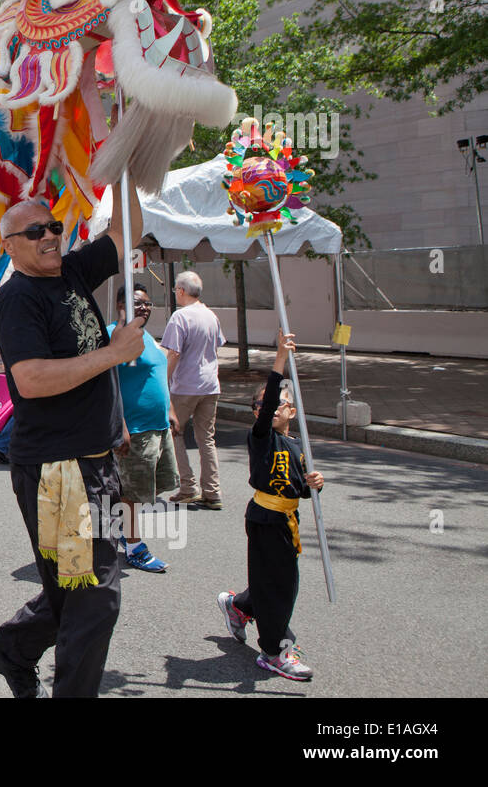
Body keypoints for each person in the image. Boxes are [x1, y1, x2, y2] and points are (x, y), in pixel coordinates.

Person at [0, 184, 144, 698]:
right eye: (35, 232)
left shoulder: (71, 269)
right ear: (9, 245)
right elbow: (29, 379)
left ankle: (12, 650)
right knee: (95, 596)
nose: (50, 236)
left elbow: (127, 235)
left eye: (54, 226)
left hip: (93, 463)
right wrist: (112, 355)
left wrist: (130, 172)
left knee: (70, 594)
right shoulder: (16, 299)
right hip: (58, 473)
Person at [218, 329, 324, 681]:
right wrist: (279, 358)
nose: (265, 409)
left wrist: (314, 485)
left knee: (277, 582)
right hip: (265, 518)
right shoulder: (261, 437)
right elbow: (265, 414)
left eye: (275, 403)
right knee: (278, 585)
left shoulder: (297, 445)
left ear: (291, 410)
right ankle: (273, 652)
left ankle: (239, 605)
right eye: (259, 405)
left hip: (285, 521)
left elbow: (300, 488)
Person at [107, 284, 179, 573]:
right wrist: (119, 423)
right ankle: (135, 547)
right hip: (134, 429)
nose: (145, 308)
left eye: (148, 304)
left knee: (141, 492)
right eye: (138, 303)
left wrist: (170, 410)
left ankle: (123, 534)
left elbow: (157, 372)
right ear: (121, 304)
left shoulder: (146, 335)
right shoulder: (115, 335)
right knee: (133, 494)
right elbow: (107, 382)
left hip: (156, 427)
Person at [163, 270, 227, 510]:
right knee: (206, 438)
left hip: (186, 385)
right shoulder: (211, 315)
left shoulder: (180, 317)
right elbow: (217, 345)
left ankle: (188, 486)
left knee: (175, 433)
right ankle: (212, 490)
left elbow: (174, 353)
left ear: (180, 290)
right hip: (210, 384)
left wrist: (164, 379)